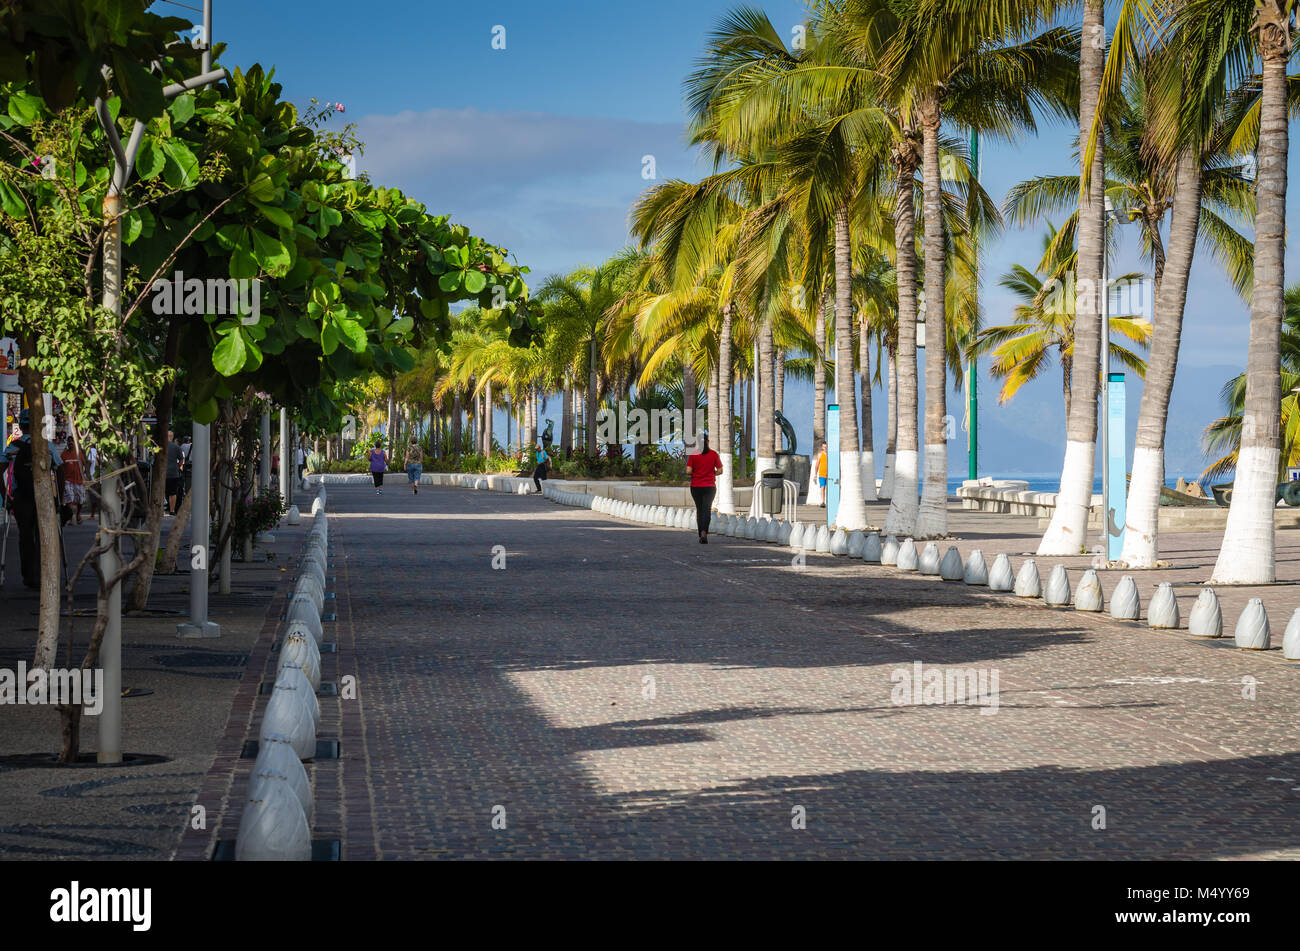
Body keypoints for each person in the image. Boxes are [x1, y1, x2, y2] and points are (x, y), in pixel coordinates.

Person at [2, 409, 62, 588]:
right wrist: (58, 498)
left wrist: (6, 496)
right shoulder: (47, 446)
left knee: (25, 536)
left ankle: (29, 576)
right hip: (43, 496)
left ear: (21, 426)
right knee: (43, 535)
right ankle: (44, 573)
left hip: (22, 498)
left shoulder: (13, 446)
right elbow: (61, 471)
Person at [686, 431, 723, 544]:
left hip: (696, 486)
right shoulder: (713, 454)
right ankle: (704, 532)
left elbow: (688, 471)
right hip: (709, 486)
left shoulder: (693, 454)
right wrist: (712, 474)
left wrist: (696, 473)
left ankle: (700, 533)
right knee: (707, 509)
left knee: (700, 510)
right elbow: (720, 470)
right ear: (708, 442)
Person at [60, 437, 86, 525]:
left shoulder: (79, 454)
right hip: (68, 480)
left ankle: (78, 515)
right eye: (69, 441)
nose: (70, 442)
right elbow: (60, 468)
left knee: (80, 500)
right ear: (67, 443)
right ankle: (71, 518)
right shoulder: (63, 454)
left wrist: (86, 477)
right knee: (69, 500)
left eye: (72, 441)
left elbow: (85, 465)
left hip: (79, 481)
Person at [165, 429, 184, 515]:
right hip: (173, 473)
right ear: (172, 437)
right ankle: (172, 510)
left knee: (163, 491)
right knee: (173, 492)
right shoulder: (177, 447)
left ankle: (163, 509)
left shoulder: (161, 446)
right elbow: (181, 460)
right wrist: (178, 467)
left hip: (163, 473)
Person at [808, 442, 828, 507]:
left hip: (829, 474)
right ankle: (822, 501)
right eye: (824, 447)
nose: (825, 448)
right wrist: (815, 474)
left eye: (826, 447)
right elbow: (817, 465)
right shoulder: (820, 454)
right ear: (822, 447)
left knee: (829, 487)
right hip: (822, 474)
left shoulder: (830, 454)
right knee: (823, 487)